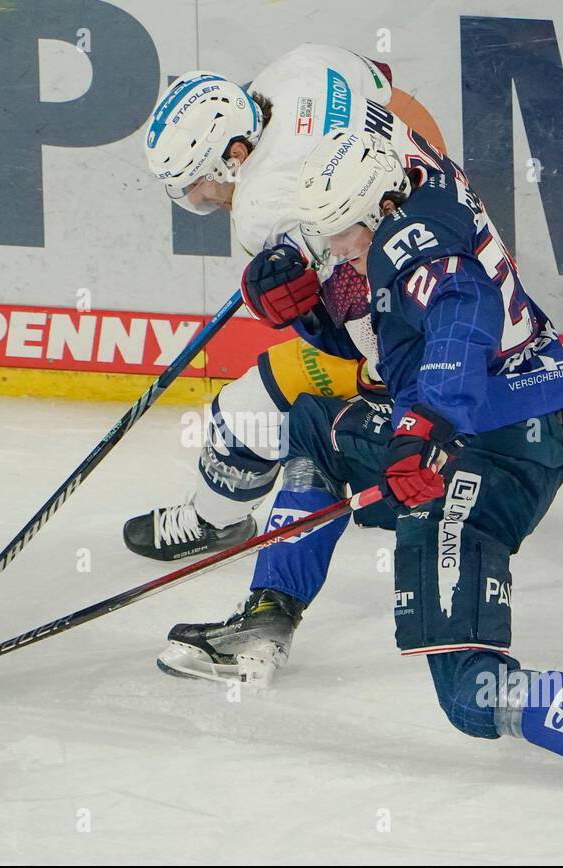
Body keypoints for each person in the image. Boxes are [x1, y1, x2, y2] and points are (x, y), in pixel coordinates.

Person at [165, 129, 563, 817]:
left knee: (470, 690)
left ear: (379, 206)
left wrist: (428, 425)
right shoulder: (409, 192)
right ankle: (267, 623)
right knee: (315, 430)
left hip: (496, 447)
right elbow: (396, 352)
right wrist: (316, 318)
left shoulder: (415, 250)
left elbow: (460, 312)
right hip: (498, 419)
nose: (342, 253)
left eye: (345, 234)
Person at [128, 45, 446, 565]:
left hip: (424, 352)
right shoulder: (305, 66)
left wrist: (304, 312)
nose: (201, 200)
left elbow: (362, 333)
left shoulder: (262, 207)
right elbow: (391, 91)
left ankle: (216, 522)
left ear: (232, 158)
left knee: (240, 416)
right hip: (462, 262)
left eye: (198, 184)